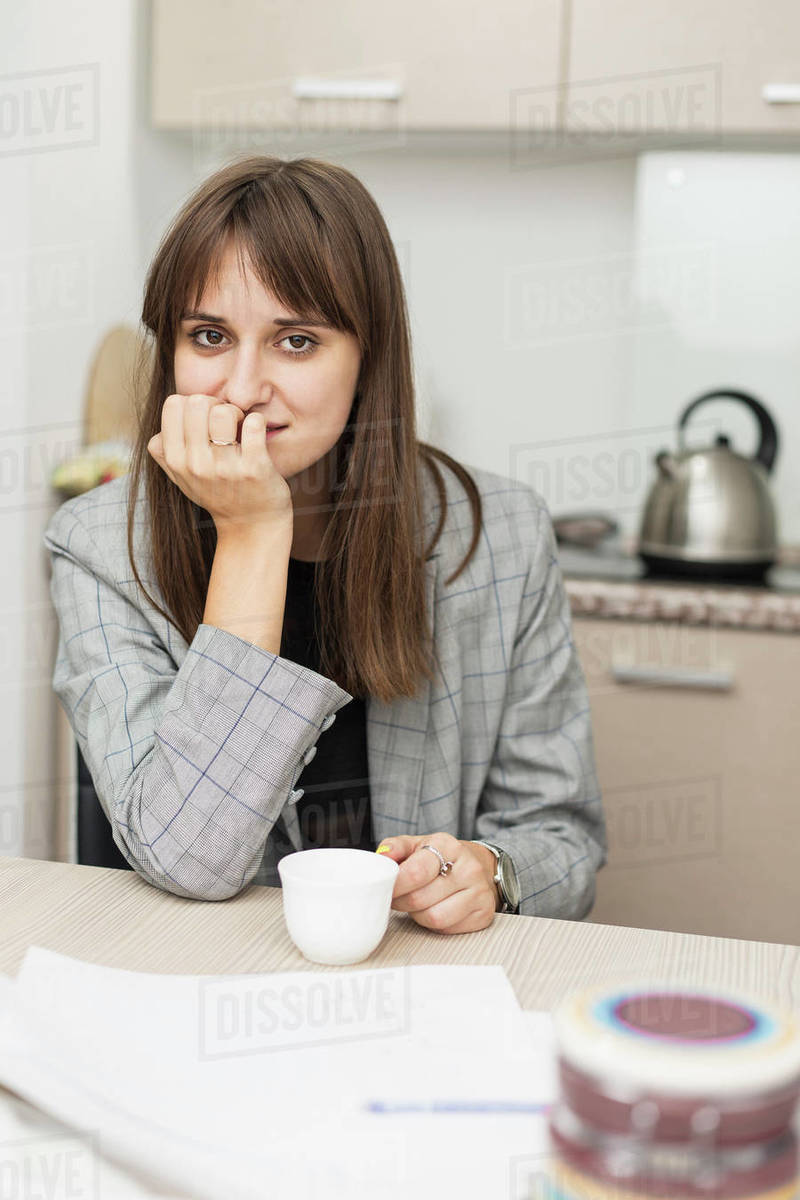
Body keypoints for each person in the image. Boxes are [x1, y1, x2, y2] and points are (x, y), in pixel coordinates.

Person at [43, 155, 606, 933]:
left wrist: (494, 872)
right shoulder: (101, 547)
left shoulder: (500, 535)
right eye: (208, 336)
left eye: (296, 341)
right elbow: (191, 858)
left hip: (418, 989)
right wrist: (252, 531)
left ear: (366, 358)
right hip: (199, 990)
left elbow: (566, 838)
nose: (241, 389)